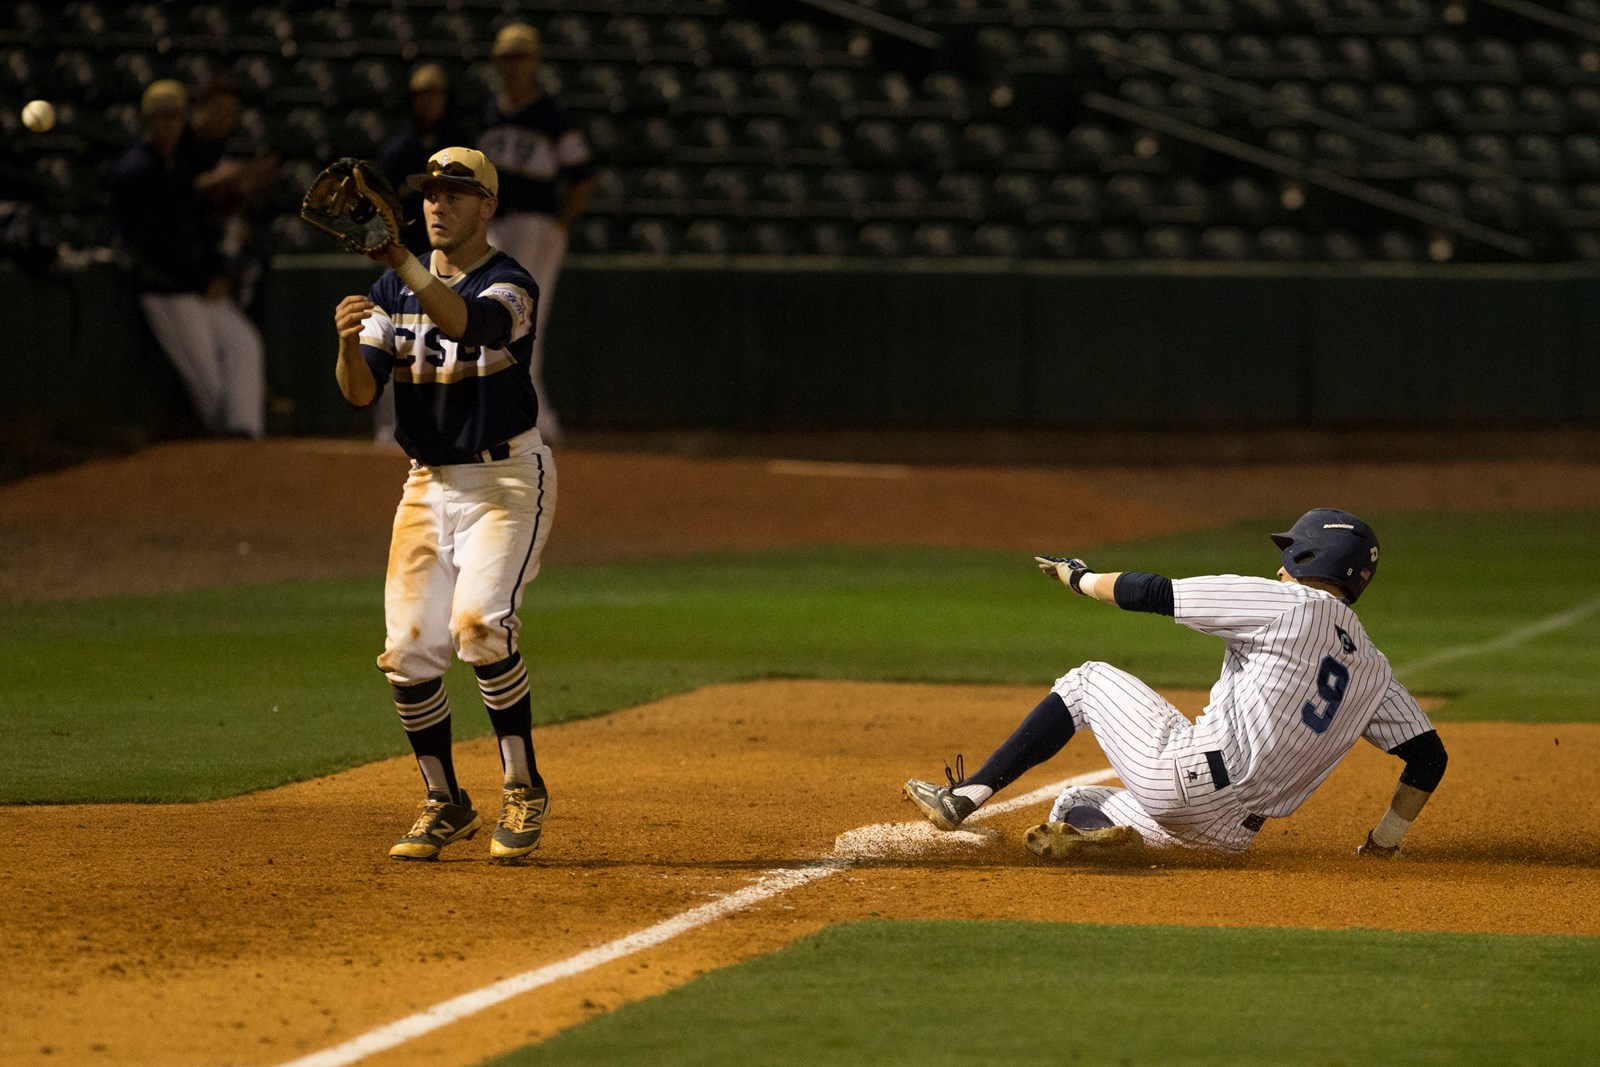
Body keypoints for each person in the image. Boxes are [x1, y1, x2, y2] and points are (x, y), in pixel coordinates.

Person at [904, 509, 1448, 859]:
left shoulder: (1286, 600)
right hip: (1230, 836)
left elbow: (1153, 592)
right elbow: (1429, 757)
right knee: (1073, 804)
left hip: (1184, 780)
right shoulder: (1374, 670)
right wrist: (1383, 845)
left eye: (1289, 554)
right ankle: (1115, 847)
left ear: (1309, 558)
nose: (1280, 565)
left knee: (1087, 682)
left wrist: (1080, 578)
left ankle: (966, 794)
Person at [332, 146, 555, 863]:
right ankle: (445, 800)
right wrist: (344, 346)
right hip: (427, 482)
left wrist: (401, 262)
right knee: (407, 651)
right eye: (430, 193)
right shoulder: (389, 291)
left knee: (480, 625)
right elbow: (361, 390)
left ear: (488, 207)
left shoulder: (511, 282)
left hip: (506, 481)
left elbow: (470, 325)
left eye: (456, 193)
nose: (438, 204)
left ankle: (523, 785)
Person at [110, 79, 265, 438]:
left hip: (194, 285)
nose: (167, 126)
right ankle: (228, 441)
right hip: (165, 289)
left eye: (174, 119)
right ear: (147, 122)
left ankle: (246, 436)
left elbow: (192, 231)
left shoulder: (178, 165)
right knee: (207, 377)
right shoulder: (136, 169)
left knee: (244, 344)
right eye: (159, 119)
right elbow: (156, 243)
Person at [477, 22, 596, 441]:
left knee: (527, 316)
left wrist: (560, 225)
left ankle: (533, 411)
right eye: (508, 58)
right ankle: (500, 406)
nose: (515, 66)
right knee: (490, 311)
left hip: (534, 223)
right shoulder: (488, 111)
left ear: (536, 63)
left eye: (522, 57)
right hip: (494, 224)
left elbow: (583, 176)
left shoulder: (551, 116)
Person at [372, 63, 471, 445]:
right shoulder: (398, 151)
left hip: (452, 260)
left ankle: (451, 424)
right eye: (421, 96)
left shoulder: (462, 146)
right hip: (407, 259)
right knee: (394, 339)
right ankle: (389, 424)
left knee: (452, 344)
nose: (428, 103)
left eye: (434, 94)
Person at [186, 74, 279, 322]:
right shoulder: (180, 144)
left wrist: (244, 188)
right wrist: (226, 177)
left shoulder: (222, 148)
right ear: (200, 107)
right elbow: (180, 193)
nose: (224, 119)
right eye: (218, 109)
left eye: (231, 114)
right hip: (182, 269)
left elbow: (225, 208)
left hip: (214, 268)